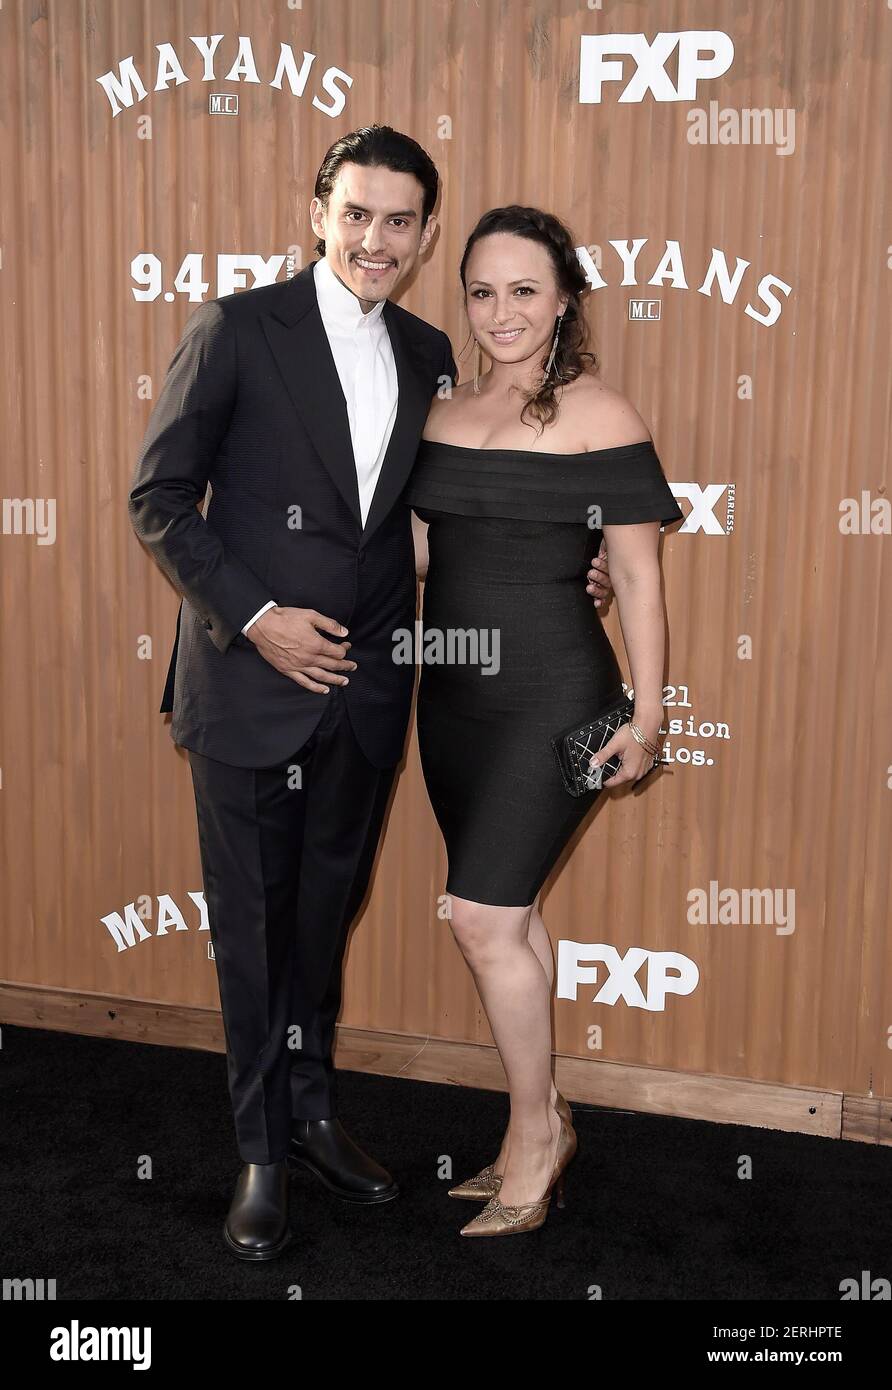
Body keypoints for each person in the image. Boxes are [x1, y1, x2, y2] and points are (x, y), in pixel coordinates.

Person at [128, 128, 613, 1260]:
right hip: (249, 689)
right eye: (356, 213)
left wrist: (568, 561)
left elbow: (443, 516)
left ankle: (310, 1116)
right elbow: (160, 499)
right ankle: (259, 1148)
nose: (376, 238)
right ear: (317, 212)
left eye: (400, 221)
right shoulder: (236, 329)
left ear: (426, 232)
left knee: (319, 922)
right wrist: (257, 617)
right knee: (251, 928)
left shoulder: (431, 351)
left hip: (363, 698)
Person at [404, 205, 684, 1237]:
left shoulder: (601, 414)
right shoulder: (439, 414)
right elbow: (430, 558)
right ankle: (542, 1113)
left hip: (557, 693)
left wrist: (648, 715)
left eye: (524, 289)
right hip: (454, 697)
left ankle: (535, 1134)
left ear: (564, 297)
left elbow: (642, 583)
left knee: (478, 917)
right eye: (481, 290)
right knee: (509, 916)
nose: (500, 312)